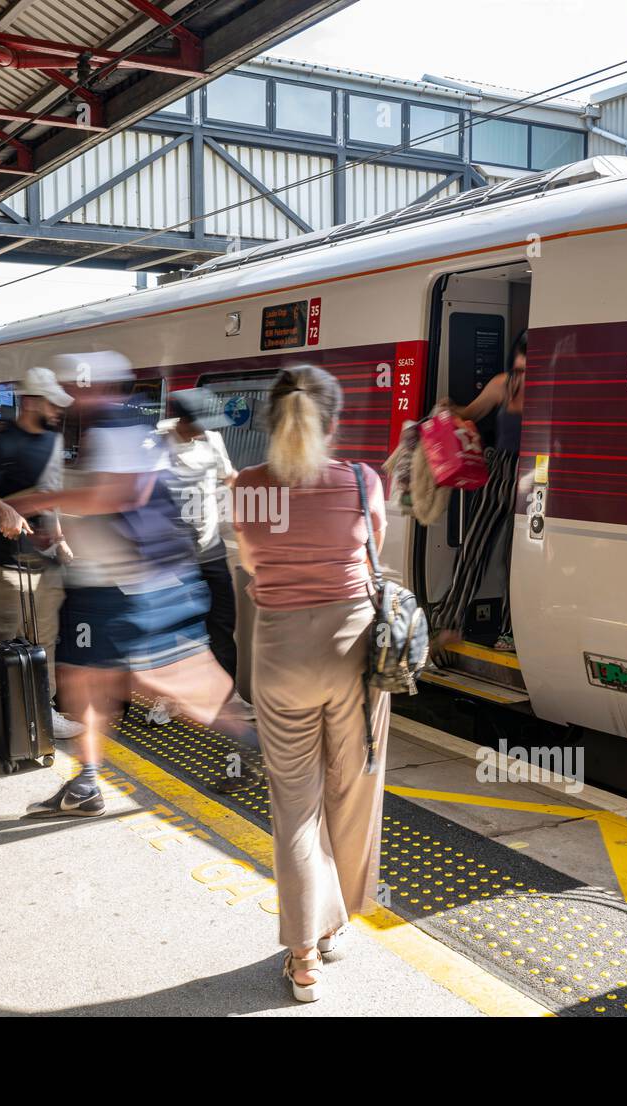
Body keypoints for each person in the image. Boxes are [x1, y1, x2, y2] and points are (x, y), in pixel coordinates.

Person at [2, 353, 237, 818]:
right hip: (135, 576)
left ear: (97, 386)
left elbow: (119, 494)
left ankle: (255, 749)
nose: (71, 394)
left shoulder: (113, 426)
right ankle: (87, 784)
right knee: (97, 681)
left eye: (77, 384)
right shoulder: (134, 428)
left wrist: (41, 499)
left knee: (100, 680)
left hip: (118, 582)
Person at [232, 364, 391, 1003]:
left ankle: (303, 959)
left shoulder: (246, 486)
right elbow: (375, 549)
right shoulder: (360, 480)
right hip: (352, 652)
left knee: (294, 804)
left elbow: (250, 562)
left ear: (272, 420)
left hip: (278, 654)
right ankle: (338, 922)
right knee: (351, 788)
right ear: (334, 420)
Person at [0, 369, 83, 745]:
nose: (58, 409)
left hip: (44, 556)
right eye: (51, 402)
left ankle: (44, 709)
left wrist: (59, 537)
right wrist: (3, 511)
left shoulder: (53, 441)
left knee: (46, 638)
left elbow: (49, 494)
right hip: (6, 559)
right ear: (30, 402)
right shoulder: (4, 445)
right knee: (0, 634)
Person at [157, 388, 254, 721]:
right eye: (201, 423)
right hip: (170, 556)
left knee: (222, 623)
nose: (207, 429)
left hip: (209, 550)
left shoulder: (211, 440)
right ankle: (170, 699)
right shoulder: (157, 444)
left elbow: (230, 479)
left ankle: (227, 697)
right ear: (184, 420)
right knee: (175, 630)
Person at [429, 329, 526, 653]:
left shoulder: (544, 385)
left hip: (532, 476)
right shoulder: (503, 383)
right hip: (501, 469)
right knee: (474, 547)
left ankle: (511, 633)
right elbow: (470, 413)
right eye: (520, 366)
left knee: (517, 560)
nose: (523, 374)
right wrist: (449, 409)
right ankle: (450, 622)